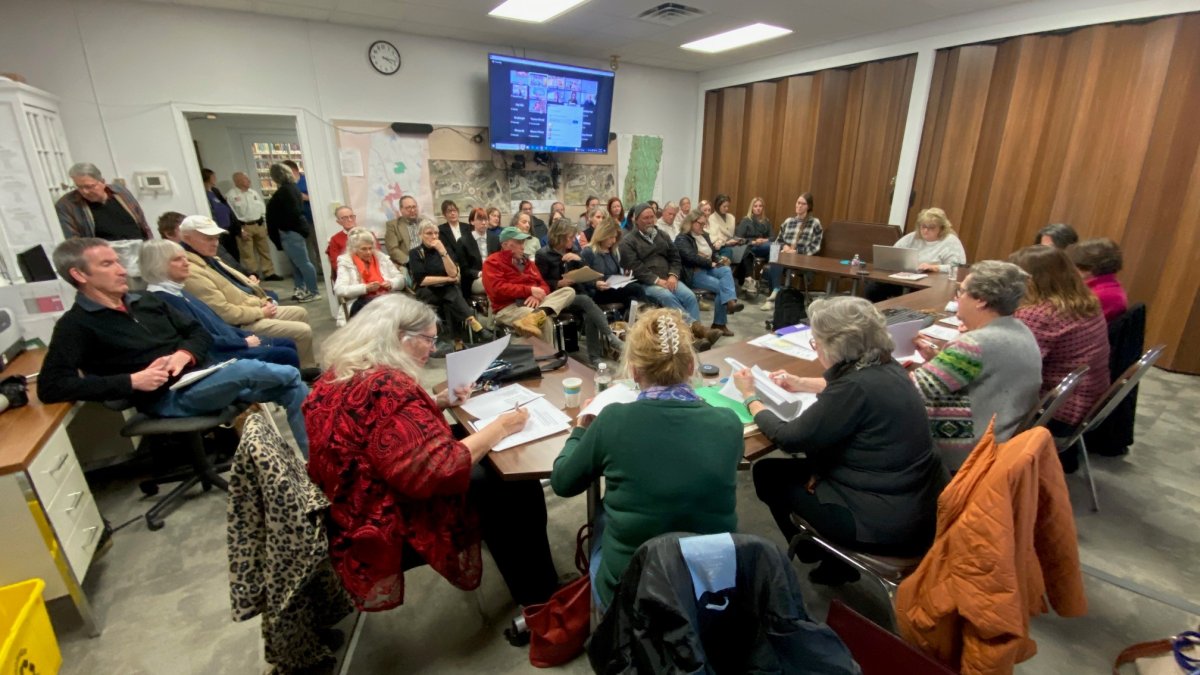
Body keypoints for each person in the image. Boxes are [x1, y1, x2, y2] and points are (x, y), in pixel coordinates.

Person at [303, 294, 559, 611]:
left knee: (481, 450)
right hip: (383, 516)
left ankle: (520, 566)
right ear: (400, 337)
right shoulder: (386, 386)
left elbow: (382, 431)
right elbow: (441, 470)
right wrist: (502, 426)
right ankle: (542, 599)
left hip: (352, 498)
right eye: (428, 339)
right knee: (515, 485)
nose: (433, 349)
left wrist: (437, 403)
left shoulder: (343, 371)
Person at [735, 296, 948, 585]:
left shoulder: (855, 388)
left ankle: (820, 552)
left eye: (816, 342)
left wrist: (751, 397)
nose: (816, 349)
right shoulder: (889, 367)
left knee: (767, 473)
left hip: (881, 524)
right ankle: (829, 558)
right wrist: (801, 383)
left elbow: (789, 437)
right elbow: (849, 390)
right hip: (916, 504)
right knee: (806, 463)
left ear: (835, 347)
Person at [40, 238, 310, 456]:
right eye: (107, 264)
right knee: (262, 371)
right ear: (79, 274)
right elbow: (52, 386)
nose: (121, 270)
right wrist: (131, 381)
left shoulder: (146, 301)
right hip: (168, 398)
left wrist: (184, 354)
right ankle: (291, 376)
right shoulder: (75, 325)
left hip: (205, 375)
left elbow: (197, 333)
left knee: (296, 390)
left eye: (118, 262)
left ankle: (318, 469)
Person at [550, 308, 742, 609]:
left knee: (602, 514)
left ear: (634, 371)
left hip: (632, 593)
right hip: (709, 590)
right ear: (691, 366)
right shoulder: (729, 423)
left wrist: (579, 431)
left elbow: (562, 482)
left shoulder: (612, 420)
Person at [911, 261, 1042, 471]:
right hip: (1004, 432)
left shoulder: (974, 344)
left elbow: (913, 391)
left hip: (968, 446)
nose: (957, 298)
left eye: (961, 291)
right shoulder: (1020, 329)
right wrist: (938, 358)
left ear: (981, 300)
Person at [1009, 245, 1111, 472]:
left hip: (1056, 414)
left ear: (1030, 280)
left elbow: (1010, 367)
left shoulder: (1040, 314)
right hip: (1087, 404)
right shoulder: (1086, 302)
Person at [139, 239, 303, 370]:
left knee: (287, 344)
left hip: (231, 339)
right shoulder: (165, 300)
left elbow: (215, 323)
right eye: (177, 260)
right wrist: (243, 342)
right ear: (157, 266)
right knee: (286, 353)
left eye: (185, 258)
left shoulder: (179, 292)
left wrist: (244, 337)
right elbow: (203, 336)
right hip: (218, 355)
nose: (186, 263)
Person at [177, 215, 317, 369]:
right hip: (238, 325)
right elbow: (224, 313)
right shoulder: (191, 271)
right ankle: (304, 371)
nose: (215, 242)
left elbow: (239, 289)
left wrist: (262, 302)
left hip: (249, 309)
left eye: (216, 237)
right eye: (208, 238)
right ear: (187, 238)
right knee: (302, 331)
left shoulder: (210, 259)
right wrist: (260, 312)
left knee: (300, 312)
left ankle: (303, 365)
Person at [619, 203, 722, 351]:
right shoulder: (628, 241)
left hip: (669, 278)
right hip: (646, 283)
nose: (650, 221)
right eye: (645, 218)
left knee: (690, 296)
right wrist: (657, 280)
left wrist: (673, 275)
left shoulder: (662, 235)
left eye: (652, 217)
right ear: (636, 220)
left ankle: (697, 337)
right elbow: (635, 267)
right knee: (667, 297)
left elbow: (675, 257)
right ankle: (694, 336)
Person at [536, 219, 622, 366]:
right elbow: (540, 282)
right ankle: (610, 337)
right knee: (586, 301)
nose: (573, 240)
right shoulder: (543, 254)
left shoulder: (574, 249)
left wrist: (579, 259)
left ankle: (594, 357)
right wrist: (557, 283)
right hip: (558, 297)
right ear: (559, 237)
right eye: (570, 237)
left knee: (590, 312)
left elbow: (585, 272)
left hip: (577, 292)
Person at [482, 226, 576, 342]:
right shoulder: (492, 262)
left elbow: (544, 285)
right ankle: (545, 353)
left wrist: (536, 295)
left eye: (523, 242)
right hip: (509, 307)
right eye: (518, 242)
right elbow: (497, 289)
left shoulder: (527, 262)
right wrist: (529, 290)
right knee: (544, 320)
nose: (523, 246)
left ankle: (536, 316)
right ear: (505, 244)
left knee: (569, 291)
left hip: (534, 302)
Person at [408, 222, 489, 340]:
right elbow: (422, 280)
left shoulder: (445, 250)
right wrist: (447, 279)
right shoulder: (415, 253)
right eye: (429, 233)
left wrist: (443, 253)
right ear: (420, 235)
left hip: (447, 289)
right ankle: (473, 326)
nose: (434, 237)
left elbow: (453, 273)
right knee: (451, 292)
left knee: (449, 297)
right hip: (427, 290)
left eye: (436, 233)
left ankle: (451, 340)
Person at [674, 209, 744, 336]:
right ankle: (721, 320)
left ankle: (729, 304)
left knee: (726, 269)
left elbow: (712, 253)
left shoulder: (704, 235)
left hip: (708, 268)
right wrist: (708, 262)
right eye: (700, 223)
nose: (703, 226)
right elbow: (690, 257)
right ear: (691, 222)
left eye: (704, 223)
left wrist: (719, 259)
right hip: (693, 273)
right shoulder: (682, 238)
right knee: (722, 287)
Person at [55, 162, 152, 241]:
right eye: (79, 187)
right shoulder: (67, 204)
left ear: (102, 182)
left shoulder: (120, 192)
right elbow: (72, 241)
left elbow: (142, 223)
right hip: (103, 255)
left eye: (89, 186)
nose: (84, 191)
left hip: (138, 248)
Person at [266, 163, 321, 302]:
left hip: (291, 232)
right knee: (296, 264)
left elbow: (292, 213)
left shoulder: (286, 191)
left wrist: (284, 227)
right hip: (293, 231)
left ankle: (313, 292)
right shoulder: (292, 189)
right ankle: (300, 288)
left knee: (303, 263)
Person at [762, 193, 822, 311]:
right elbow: (778, 241)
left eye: (803, 204)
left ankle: (774, 296)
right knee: (774, 253)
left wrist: (797, 251)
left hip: (802, 258)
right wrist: (784, 246)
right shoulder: (788, 221)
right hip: (786, 255)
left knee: (778, 258)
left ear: (809, 206)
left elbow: (816, 246)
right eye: (798, 203)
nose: (799, 206)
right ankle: (776, 292)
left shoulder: (814, 223)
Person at [580, 213, 645, 313]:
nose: (614, 240)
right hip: (599, 291)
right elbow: (582, 278)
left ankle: (637, 320)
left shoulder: (612, 251)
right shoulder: (588, 252)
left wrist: (624, 277)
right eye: (611, 237)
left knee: (632, 300)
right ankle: (648, 316)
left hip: (613, 288)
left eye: (615, 237)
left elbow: (615, 273)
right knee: (637, 289)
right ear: (602, 235)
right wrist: (595, 284)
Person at [335, 227, 406, 318]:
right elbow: (339, 289)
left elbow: (401, 279)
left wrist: (391, 283)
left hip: (387, 297)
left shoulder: (382, 258)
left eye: (370, 248)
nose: (368, 252)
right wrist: (365, 288)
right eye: (363, 249)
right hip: (361, 302)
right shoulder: (346, 262)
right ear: (354, 249)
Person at [225, 171, 279, 280]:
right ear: (237, 181)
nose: (248, 181)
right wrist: (239, 230)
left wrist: (265, 225)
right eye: (245, 179)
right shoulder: (231, 195)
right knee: (247, 254)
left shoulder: (253, 193)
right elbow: (231, 215)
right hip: (244, 227)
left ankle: (269, 273)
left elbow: (262, 209)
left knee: (264, 251)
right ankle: (253, 275)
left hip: (258, 225)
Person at [1067, 238, 1128, 321]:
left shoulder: (1100, 295)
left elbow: (1069, 322)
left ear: (1089, 268)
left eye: (1075, 265)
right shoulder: (1109, 283)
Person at [896, 207, 967, 273]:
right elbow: (894, 253)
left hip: (936, 280)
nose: (926, 230)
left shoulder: (951, 241)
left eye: (931, 227)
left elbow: (958, 267)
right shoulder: (913, 237)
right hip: (909, 275)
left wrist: (935, 267)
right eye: (923, 226)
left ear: (942, 228)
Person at [384, 195, 437, 272]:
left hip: (428, 260)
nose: (412, 210)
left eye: (414, 207)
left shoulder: (425, 222)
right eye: (408, 208)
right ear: (401, 210)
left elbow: (434, 241)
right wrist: (411, 261)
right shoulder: (393, 225)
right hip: (407, 263)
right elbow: (393, 249)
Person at [456, 207, 499, 297]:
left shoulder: (495, 239)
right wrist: (480, 273)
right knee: (493, 283)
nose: (483, 223)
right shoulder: (463, 241)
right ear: (472, 222)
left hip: (493, 276)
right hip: (474, 279)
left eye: (485, 219)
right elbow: (464, 270)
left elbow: (499, 262)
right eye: (480, 219)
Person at [736, 196, 773, 295]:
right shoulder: (746, 220)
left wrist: (764, 240)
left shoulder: (766, 221)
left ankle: (766, 280)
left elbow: (773, 237)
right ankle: (752, 280)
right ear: (751, 208)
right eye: (755, 206)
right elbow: (738, 238)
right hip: (750, 246)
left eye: (760, 206)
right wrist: (753, 241)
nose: (758, 208)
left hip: (763, 247)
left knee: (774, 250)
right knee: (772, 247)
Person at [201, 168, 238, 260]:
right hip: (219, 231)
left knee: (234, 254)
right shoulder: (203, 193)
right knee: (225, 256)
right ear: (207, 177)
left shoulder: (215, 191)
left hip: (228, 229)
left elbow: (226, 207)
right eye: (213, 176)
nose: (215, 178)